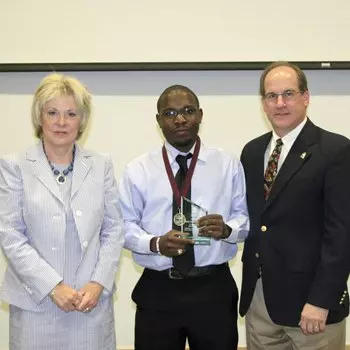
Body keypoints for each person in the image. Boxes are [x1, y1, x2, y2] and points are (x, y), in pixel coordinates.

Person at [118, 84, 249, 350]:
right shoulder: (138, 169)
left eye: (188, 111)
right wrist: (155, 243)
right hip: (158, 290)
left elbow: (244, 220)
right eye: (170, 113)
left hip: (213, 288)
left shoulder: (227, 164)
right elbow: (123, 226)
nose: (180, 119)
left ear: (200, 115)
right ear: (158, 120)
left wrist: (227, 230)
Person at [0, 73, 124, 350]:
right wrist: (53, 287)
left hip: (90, 304)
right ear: (39, 116)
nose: (61, 122)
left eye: (71, 114)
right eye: (52, 112)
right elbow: (11, 236)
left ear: (82, 121)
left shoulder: (101, 164)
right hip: (36, 305)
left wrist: (98, 283)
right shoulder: (14, 166)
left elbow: (114, 230)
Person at [239, 61, 350, 349]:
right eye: (271, 96)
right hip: (261, 303)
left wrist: (321, 300)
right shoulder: (252, 152)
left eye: (288, 94)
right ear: (263, 103)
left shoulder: (335, 150)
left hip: (312, 308)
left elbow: (341, 234)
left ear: (306, 97)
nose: (280, 103)